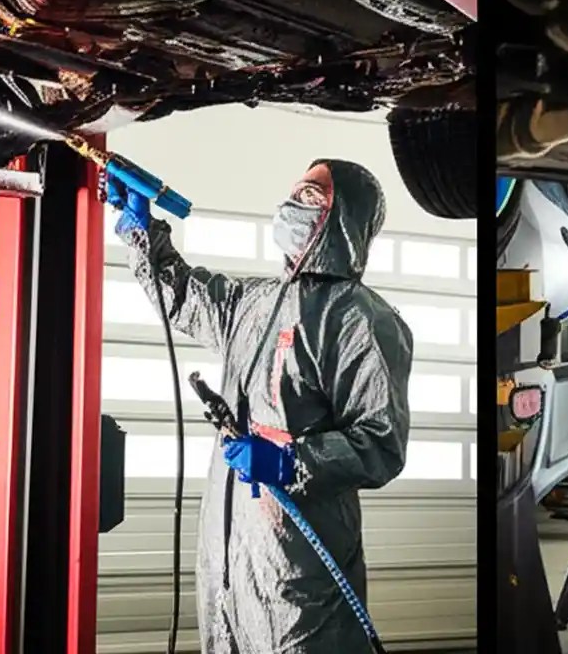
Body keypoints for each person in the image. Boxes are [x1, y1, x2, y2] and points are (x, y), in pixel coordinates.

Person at [107, 158, 413, 653]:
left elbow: (381, 443)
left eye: (311, 195)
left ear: (345, 218)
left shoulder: (362, 320)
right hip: (230, 550)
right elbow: (180, 292)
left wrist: (291, 461)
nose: (292, 204)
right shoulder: (252, 303)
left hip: (298, 559)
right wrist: (140, 227)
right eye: (293, 192)